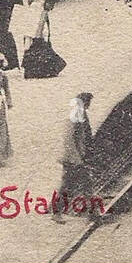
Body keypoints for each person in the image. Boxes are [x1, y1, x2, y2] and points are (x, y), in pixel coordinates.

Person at [54, 92, 94, 223]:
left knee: (73, 185)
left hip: (78, 156)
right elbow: (69, 139)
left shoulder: (81, 114)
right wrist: (76, 159)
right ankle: (56, 212)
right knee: (72, 185)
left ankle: (92, 213)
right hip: (73, 158)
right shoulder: (74, 115)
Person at [18, 0, 66, 78]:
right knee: (28, 41)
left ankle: (47, 68)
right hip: (29, 16)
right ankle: (30, 68)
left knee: (41, 39)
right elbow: (25, 4)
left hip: (39, 15)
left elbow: (40, 4)